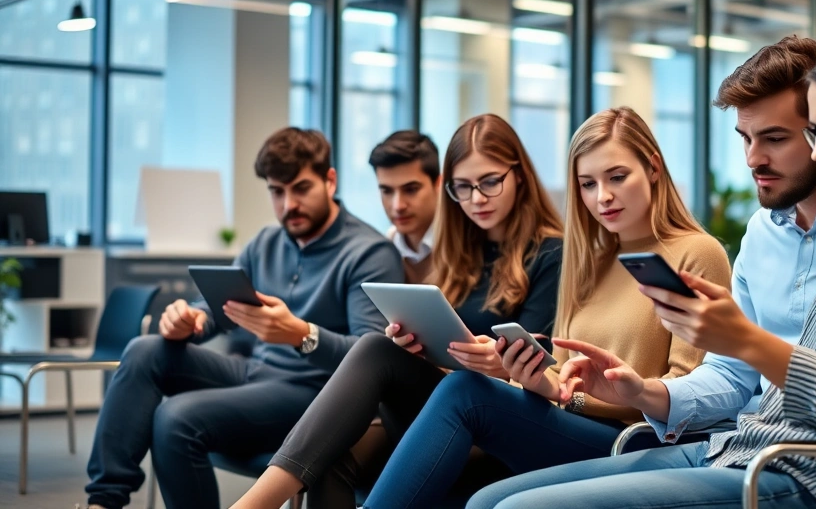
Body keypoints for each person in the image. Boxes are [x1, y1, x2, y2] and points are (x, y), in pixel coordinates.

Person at [466, 32, 816, 509]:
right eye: (814, 133)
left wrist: (748, 342)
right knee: (489, 499)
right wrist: (646, 391)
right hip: (760, 452)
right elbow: (748, 383)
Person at [466, 35, 816, 507]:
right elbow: (730, 378)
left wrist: (604, 398)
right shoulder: (761, 234)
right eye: (746, 139)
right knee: (484, 501)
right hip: (732, 446)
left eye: (773, 138)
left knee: (497, 472)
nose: (752, 159)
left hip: (795, 461)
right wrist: (644, 390)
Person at [360, 106, 733, 509]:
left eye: (617, 177)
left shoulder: (695, 253)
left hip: (634, 439)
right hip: (570, 421)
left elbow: (689, 394)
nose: (602, 196)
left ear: (654, 169)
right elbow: (560, 372)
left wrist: (571, 394)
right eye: (587, 183)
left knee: (465, 393)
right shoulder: (590, 259)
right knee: (475, 479)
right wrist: (532, 378)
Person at [230, 114, 564, 509]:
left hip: (503, 417)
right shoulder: (459, 254)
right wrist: (419, 346)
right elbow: (446, 355)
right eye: (463, 187)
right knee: (333, 455)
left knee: (374, 349)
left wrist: (498, 363)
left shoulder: (551, 254)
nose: (476, 198)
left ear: (520, 176)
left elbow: (544, 370)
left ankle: (254, 504)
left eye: (490, 182)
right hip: (448, 400)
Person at [83, 128, 404, 509]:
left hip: (315, 394)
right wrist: (191, 319)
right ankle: (103, 502)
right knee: (144, 349)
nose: (289, 205)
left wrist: (302, 334)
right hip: (255, 373)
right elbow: (214, 309)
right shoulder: (264, 243)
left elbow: (374, 356)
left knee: (175, 419)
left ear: (330, 180)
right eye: (277, 192)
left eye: (300, 188)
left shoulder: (369, 253)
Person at [370, 130, 441, 284]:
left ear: (438, 184)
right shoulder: (382, 250)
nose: (398, 206)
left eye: (411, 190)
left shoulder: (466, 246)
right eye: (387, 191)